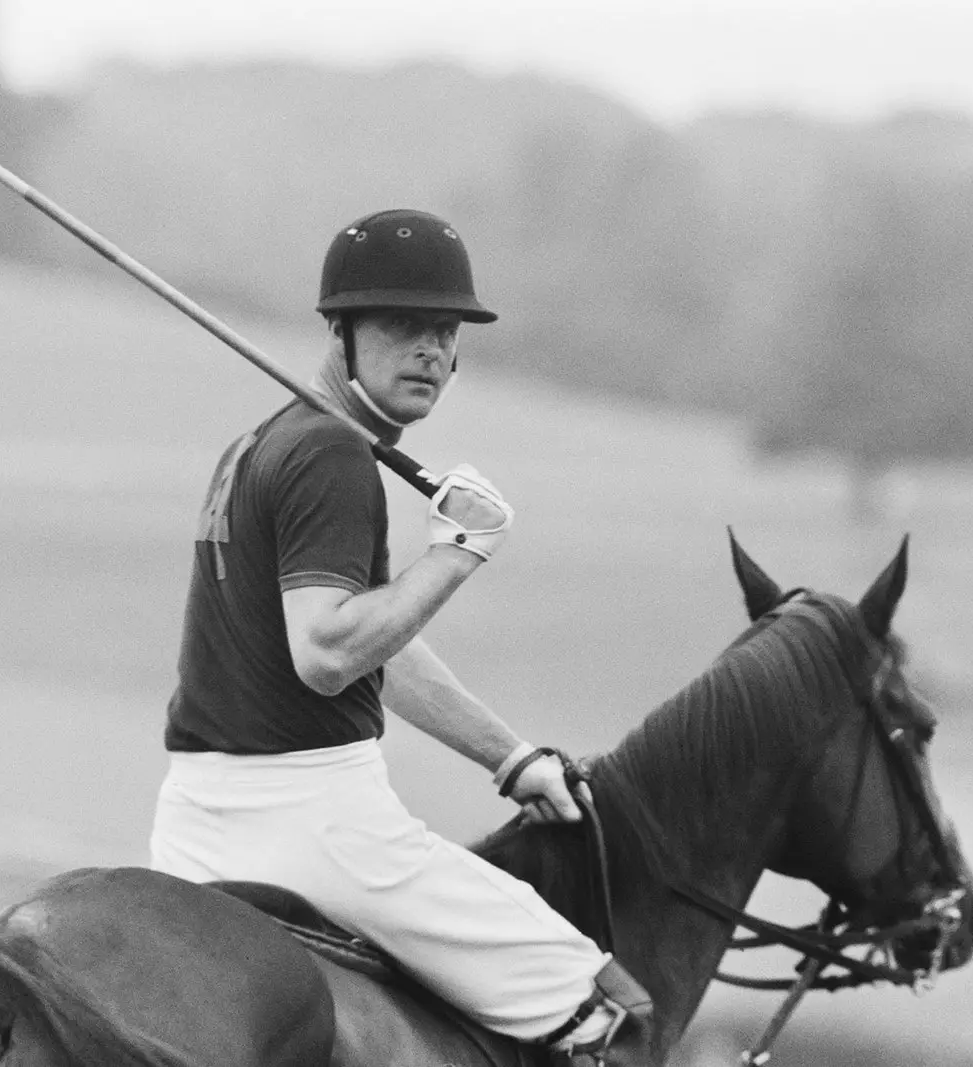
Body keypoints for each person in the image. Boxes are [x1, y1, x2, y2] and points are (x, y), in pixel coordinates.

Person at [148, 208, 650, 1063]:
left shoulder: (261, 443)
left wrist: (509, 756)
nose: (431, 350)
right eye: (403, 326)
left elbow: (374, 641)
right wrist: (457, 555)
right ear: (340, 332)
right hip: (319, 825)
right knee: (610, 1009)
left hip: (193, 823)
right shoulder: (333, 455)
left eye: (446, 332)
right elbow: (328, 652)